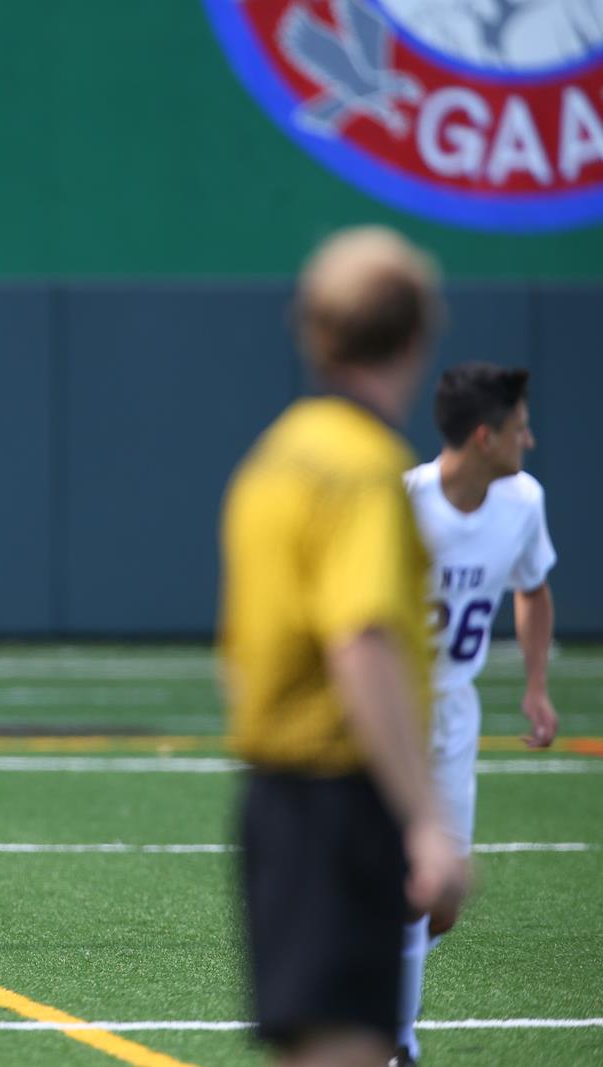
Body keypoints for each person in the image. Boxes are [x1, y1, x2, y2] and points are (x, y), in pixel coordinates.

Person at [219, 225, 470, 1067]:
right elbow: (361, 640)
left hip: (271, 802)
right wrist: (426, 819)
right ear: (417, 333)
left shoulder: (273, 457)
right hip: (339, 802)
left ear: (314, 329)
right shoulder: (367, 468)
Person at [392, 364, 558, 1067]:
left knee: (444, 903)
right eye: (521, 426)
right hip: (390, 713)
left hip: (454, 717)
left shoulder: (523, 500)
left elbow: (532, 587)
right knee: (409, 887)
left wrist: (537, 684)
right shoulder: (402, 502)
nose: (532, 437)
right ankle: (398, 1040)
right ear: (485, 436)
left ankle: (381, 961)